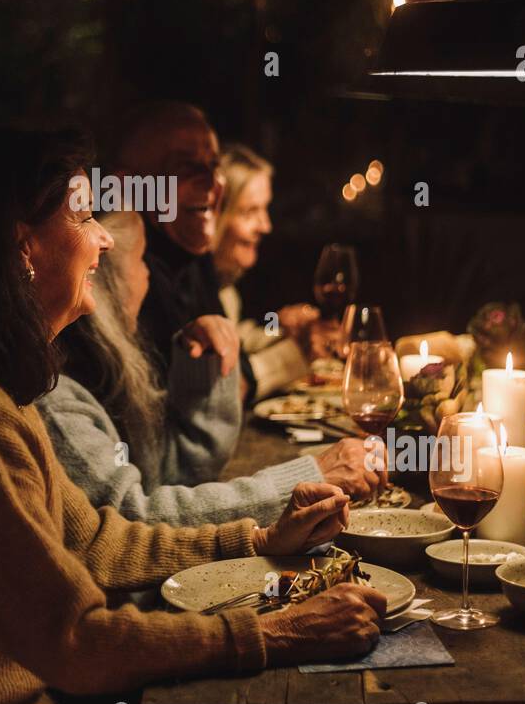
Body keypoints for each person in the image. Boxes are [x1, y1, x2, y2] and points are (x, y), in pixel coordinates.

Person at [0, 127, 386, 704]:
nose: (107, 241)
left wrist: (259, 539)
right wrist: (275, 633)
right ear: (24, 249)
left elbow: (98, 540)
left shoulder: (3, 396)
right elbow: (78, 642)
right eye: (85, 216)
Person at [38, 208, 382, 524]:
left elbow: (176, 474)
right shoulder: (51, 396)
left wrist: (203, 369)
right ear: (106, 276)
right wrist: (307, 479)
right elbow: (133, 518)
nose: (150, 276)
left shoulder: (102, 369)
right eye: (143, 260)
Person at [213, 143, 347, 399]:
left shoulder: (225, 287)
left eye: (265, 209)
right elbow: (221, 388)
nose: (266, 226)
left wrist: (281, 329)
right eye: (250, 211)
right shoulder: (187, 287)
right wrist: (298, 352)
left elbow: (237, 338)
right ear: (214, 214)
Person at [112, 101, 228, 377]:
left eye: (213, 164)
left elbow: (233, 363)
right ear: (130, 187)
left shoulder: (193, 255)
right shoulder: (126, 271)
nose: (210, 181)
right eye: (186, 166)